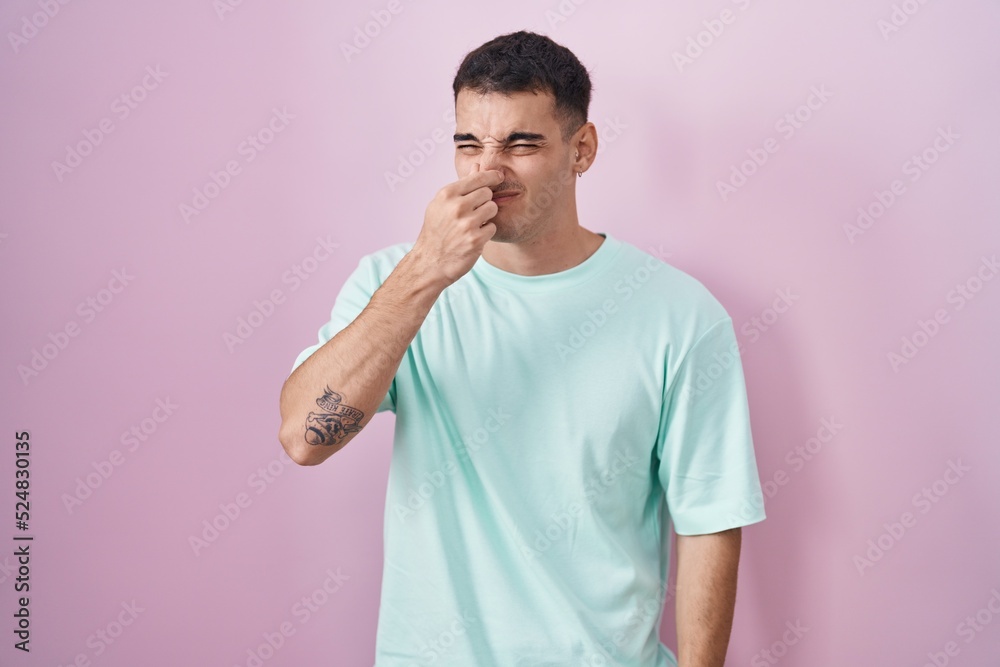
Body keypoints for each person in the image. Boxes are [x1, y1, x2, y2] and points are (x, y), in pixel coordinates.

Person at [278, 29, 765, 667]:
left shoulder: (680, 314)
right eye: (468, 144)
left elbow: (709, 521)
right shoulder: (392, 285)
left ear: (580, 149)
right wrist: (426, 271)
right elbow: (304, 439)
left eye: (522, 143)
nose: (489, 169)